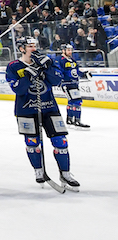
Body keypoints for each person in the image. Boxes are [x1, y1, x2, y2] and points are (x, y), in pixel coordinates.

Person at [6, 37, 80, 190]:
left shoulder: (47, 61)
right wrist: (27, 75)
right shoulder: (13, 66)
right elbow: (18, 89)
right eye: (30, 46)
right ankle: (38, 170)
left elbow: (56, 80)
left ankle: (65, 173)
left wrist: (47, 67)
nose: (34, 48)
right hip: (26, 110)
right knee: (32, 143)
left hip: (49, 108)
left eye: (35, 45)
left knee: (61, 142)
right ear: (22, 49)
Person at [55, 43, 90, 129]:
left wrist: (84, 74)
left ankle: (70, 119)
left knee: (72, 102)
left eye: (71, 50)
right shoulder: (60, 60)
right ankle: (77, 121)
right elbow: (58, 71)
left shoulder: (72, 60)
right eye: (68, 50)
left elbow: (76, 71)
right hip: (67, 84)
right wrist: (61, 80)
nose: (70, 52)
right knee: (77, 101)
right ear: (63, 51)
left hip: (74, 83)